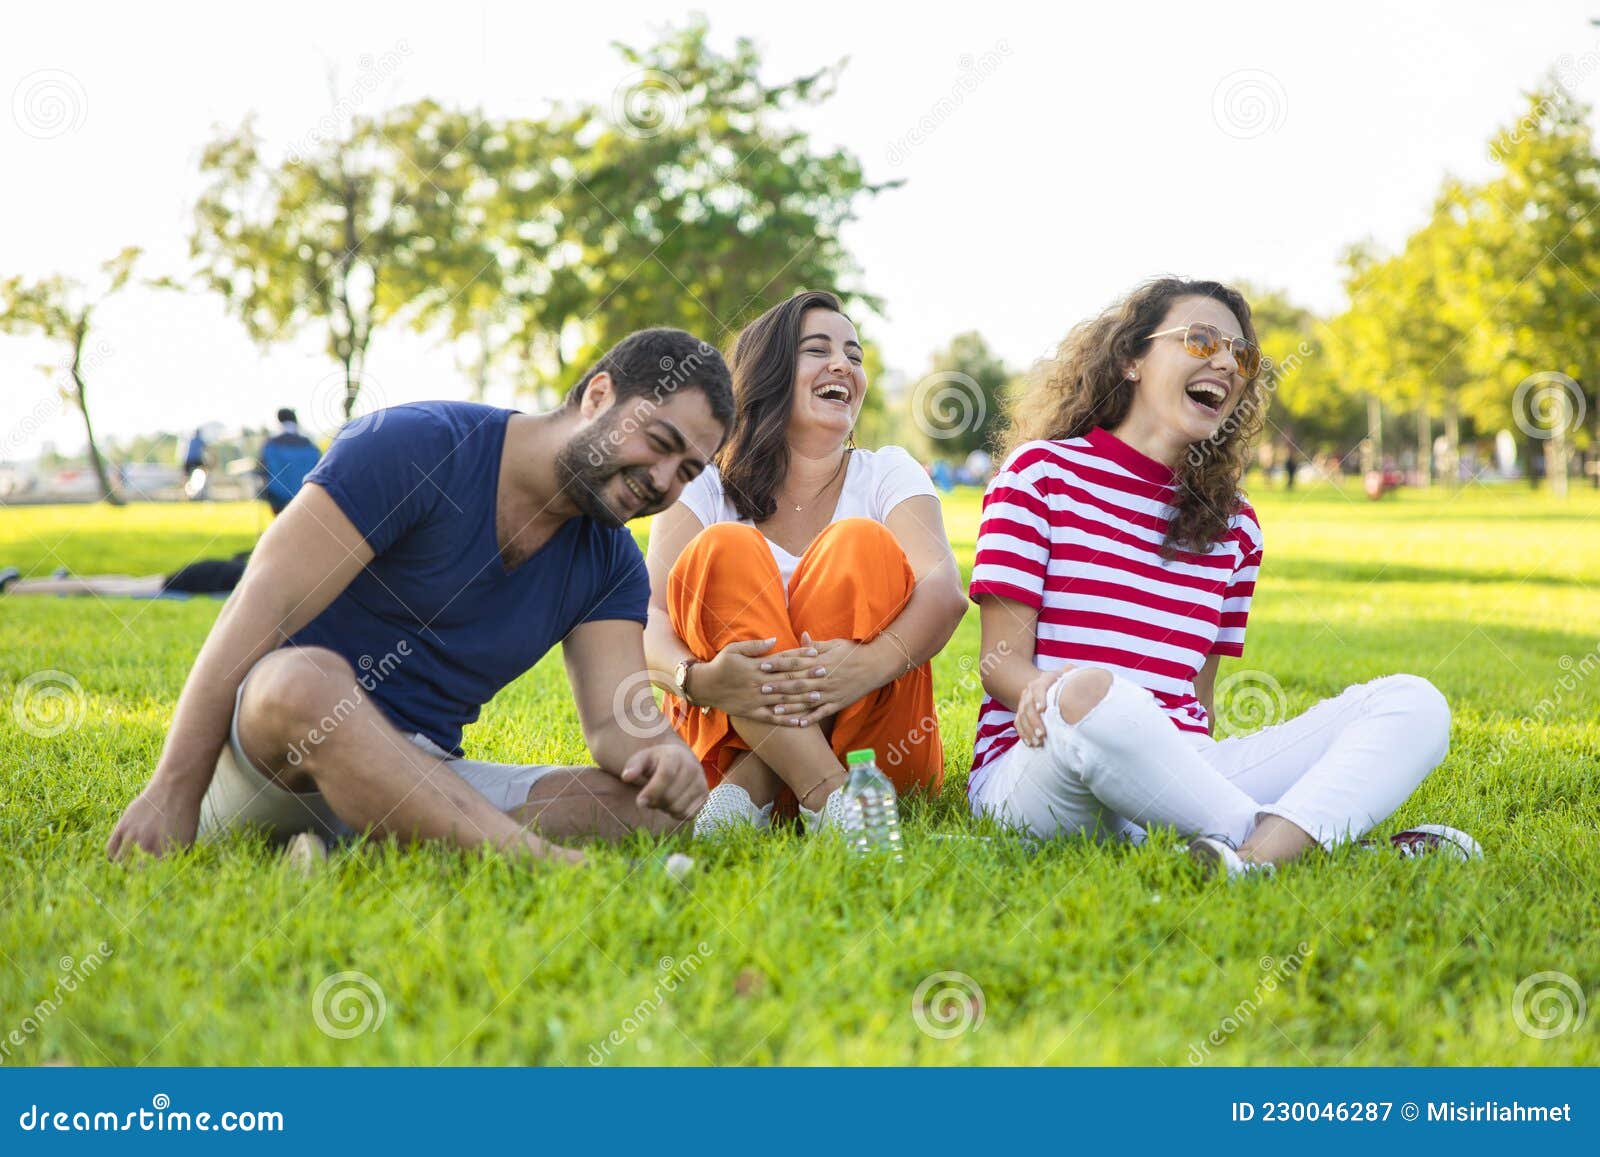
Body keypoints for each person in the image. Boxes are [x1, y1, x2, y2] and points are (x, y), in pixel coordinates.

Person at [107, 328, 732, 866]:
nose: (661, 482)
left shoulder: (611, 561)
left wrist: (662, 756)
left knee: (647, 811)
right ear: (599, 396)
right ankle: (535, 864)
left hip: (423, 776)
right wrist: (171, 791)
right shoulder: (415, 444)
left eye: (687, 472)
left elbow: (615, 720)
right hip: (272, 756)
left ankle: (358, 842)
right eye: (659, 442)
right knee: (305, 681)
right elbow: (263, 601)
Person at [967, 278, 1479, 878]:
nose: (1226, 363)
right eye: (1201, 339)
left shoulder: (1236, 524)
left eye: (1242, 355)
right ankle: (1292, 846)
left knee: (1413, 703)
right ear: (1131, 358)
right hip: (1041, 771)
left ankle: (1249, 861)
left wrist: (1170, 769)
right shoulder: (1040, 474)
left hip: (1183, 770)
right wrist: (1049, 691)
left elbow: (1197, 705)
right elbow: (1000, 662)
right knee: (1095, 694)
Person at [643, 290, 967, 835]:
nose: (845, 365)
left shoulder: (888, 472)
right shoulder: (704, 484)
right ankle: (832, 800)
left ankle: (762, 786)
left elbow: (945, 593)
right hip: (718, 754)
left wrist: (865, 666)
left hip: (874, 756)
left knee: (860, 543)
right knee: (725, 548)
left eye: (855, 355)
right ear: (768, 371)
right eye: (817, 350)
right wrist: (696, 679)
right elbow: (645, 617)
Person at [0, 552, 251, 598]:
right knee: (107, 582)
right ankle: (19, 587)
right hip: (180, 579)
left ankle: (16, 588)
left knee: (103, 585)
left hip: (178, 582)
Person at [257, 408, 322, 515]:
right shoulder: (310, 445)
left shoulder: (270, 444)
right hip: (304, 495)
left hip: (278, 497)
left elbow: (262, 468)